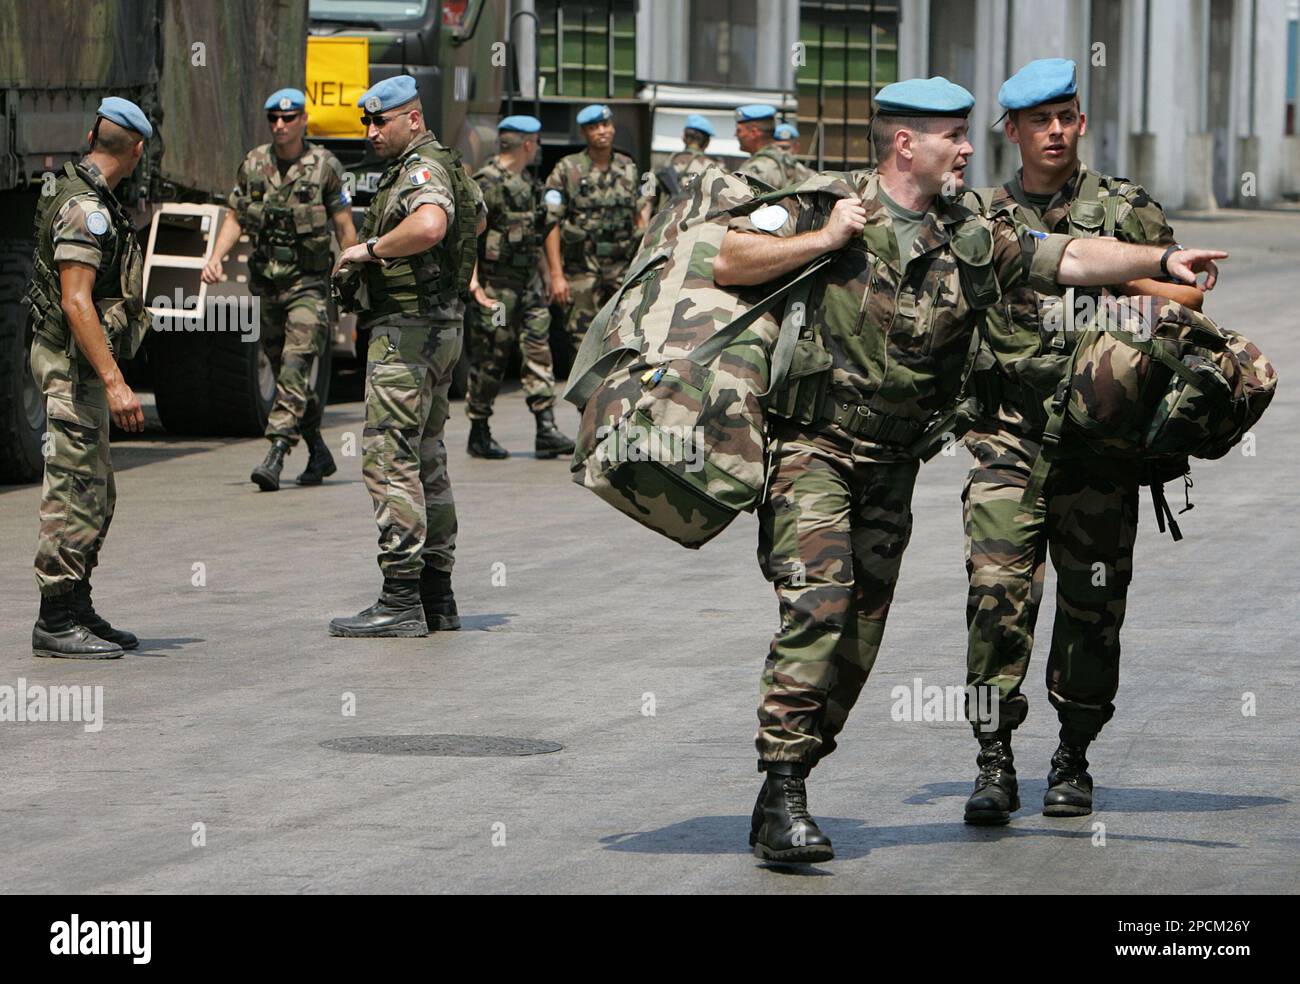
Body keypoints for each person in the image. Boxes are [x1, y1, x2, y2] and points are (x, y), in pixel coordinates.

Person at [711, 76, 1226, 863]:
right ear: (906, 145)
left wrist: (1160, 257)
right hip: (814, 449)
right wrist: (823, 242)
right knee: (821, 604)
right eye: (954, 136)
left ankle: (791, 776)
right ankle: (785, 792)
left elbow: (1073, 255)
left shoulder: (971, 230)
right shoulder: (825, 201)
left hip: (891, 463)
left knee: (855, 637)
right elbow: (728, 254)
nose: (966, 149)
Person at [960, 59, 1206, 824]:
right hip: (1008, 437)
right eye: (1041, 120)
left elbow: (1189, 290)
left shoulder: (1123, 207)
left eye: (1067, 116)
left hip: (1099, 444)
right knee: (995, 597)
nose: (1057, 131)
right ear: (1013, 132)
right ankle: (993, 759)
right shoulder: (982, 213)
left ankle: (1074, 755)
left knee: (1093, 604)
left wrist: (1107, 272)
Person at [327, 75, 485, 638]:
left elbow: (432, 224)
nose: (370, 131)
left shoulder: (423, 171)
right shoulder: (446, 165)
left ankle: (400, 599)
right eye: (366, 122)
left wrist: (368, 249)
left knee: (391, 460)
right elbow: (474, 220)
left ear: (412, 120)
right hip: (440, 329)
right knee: (428, 458)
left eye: (380, 121)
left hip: (408, 335)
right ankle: (436, 596)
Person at [25, 97, 153, 658]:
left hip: (78, 367)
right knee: (75, 488)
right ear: (139, 150)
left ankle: (76, 605)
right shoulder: (86, 210)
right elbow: (76, 302)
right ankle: (55, 619)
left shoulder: (89, 195)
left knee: (97, 491)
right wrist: (115, 381)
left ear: (91, 135)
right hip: (71, 367)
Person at [203, 87, 357, 491]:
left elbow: (343, 224)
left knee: (294, 365)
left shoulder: (324, 166)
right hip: (267, 286)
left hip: (308, 285)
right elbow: (236, 216)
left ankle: (275, 453)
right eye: (274, 118)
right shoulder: (254, 164)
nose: (280, 125)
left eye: (289, 118)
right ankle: (320, 452)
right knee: (287, 371)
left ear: (303, 120)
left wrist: (352, 267)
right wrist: (216, 256)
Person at [465, 114, 574, 460]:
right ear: (528, 144)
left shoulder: (529, 183)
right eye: (536, 143)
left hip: (527, 287)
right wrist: (473, 284)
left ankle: (546, 428)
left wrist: (547, 274)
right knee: (491, 356)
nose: (538, 149)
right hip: (495, 290)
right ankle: (478, 430)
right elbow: (469, 237)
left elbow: (537, 236)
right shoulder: (487, 183)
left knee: (538, 350)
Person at [543, 103, 650, 354]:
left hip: (622, 270)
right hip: (582, 270)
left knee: (624, 336)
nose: (601, 131)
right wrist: (556, 275)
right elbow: (551, 222)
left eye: (606, 125)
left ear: (612, 128)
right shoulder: (566, 169)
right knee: (582, 343)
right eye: (594, 127)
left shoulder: (629, 167)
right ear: (584, 133)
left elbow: (641, 216)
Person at [734, 104, 812, 188]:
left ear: (754, 133)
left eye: (739, 130)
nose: (735, 134)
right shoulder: (793, 165)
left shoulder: (753, 171)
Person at [654, 113, 718, 206]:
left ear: (683, 137)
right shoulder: (716, 167)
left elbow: (645, 202)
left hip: (668, 218)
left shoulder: (666, 163)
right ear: (707, 142)